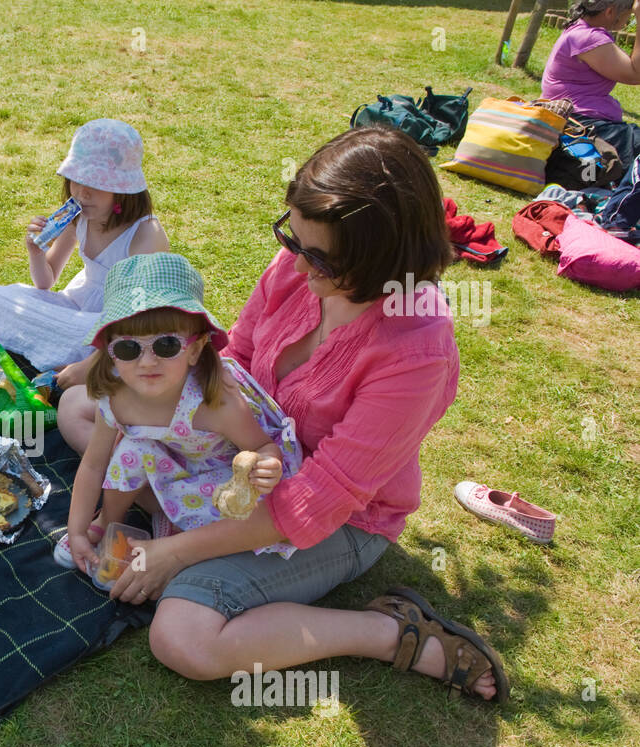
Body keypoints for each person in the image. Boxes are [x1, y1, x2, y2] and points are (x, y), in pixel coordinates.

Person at [56, 126, 510, 704]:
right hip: (232, 464)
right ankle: (182, 522)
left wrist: (174, 553)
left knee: (184, 639)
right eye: (292, 239)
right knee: (82, 411)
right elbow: (236, 358)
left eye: (318, 256)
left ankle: (391, 630)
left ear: (383, 256)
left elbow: (314, 504)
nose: (297, 265)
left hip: (333, 519)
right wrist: (166, 407)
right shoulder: (304, 265)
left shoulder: (415, 353)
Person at [57, 253, 301, 574]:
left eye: (167, 345)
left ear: (196, 349)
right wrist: (76, 531)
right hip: (171, 459)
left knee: (244, 515)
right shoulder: (114, 398)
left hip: (219, 474)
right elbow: (93, 464)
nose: (146, 362)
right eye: (128, 348)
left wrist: (267, 464)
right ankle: (108, 522)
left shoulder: (215, 402)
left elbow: (261, 448)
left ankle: (178, 536)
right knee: (128, 451)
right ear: (110, 353)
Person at [0, 119, 169, 383]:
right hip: (74, 306)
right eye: (76, 180)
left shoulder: (146, 235)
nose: (82, 192)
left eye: (95, 184)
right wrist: (36, 251)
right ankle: (61, 352)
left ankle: (80, 360)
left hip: (116, 325)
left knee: (89, 338)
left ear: (123, 189)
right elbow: (46, 281)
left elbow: (142, 319)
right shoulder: (78, 215)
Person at [541, 0, 640, 167]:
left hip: (578, 120)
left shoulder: (579, 30)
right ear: (610, 12)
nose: (628, 20)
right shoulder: (588, 38)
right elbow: (635, 74)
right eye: (628, 15)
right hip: (582, 123)